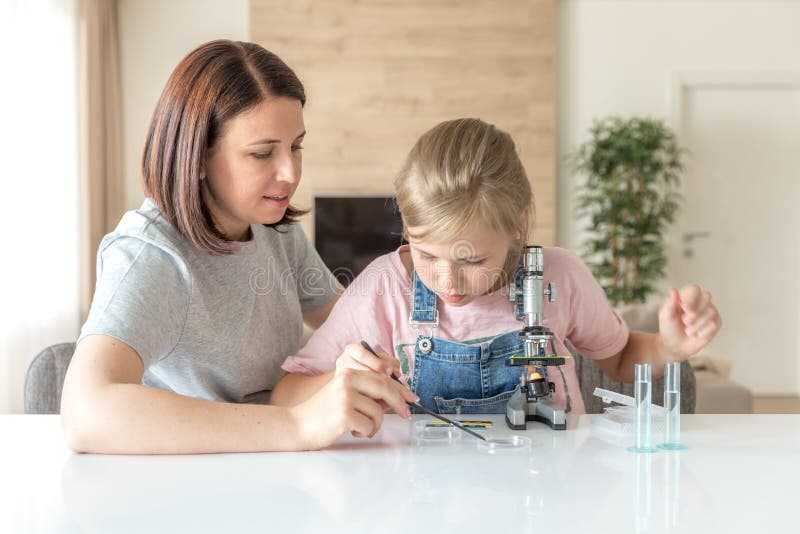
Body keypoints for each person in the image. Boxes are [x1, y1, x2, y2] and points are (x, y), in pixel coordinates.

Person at [60, 40, 416, 454]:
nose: (290, 172)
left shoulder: (275, 231)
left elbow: (359, 318)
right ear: (196, 158)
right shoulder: (150, 256)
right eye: (262, 153)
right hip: (193, 486)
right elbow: (85, 414)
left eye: (296, 146)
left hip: (278, 472)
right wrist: (298, 425)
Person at [272, 118, 721, 416]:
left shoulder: (560, 276)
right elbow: (287, 394)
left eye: (473, 260)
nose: (447, 282)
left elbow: (621, 357)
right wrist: (342, 383)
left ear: (518, 223)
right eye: (426, 255)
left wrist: (670, 346)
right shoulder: (384, 289)